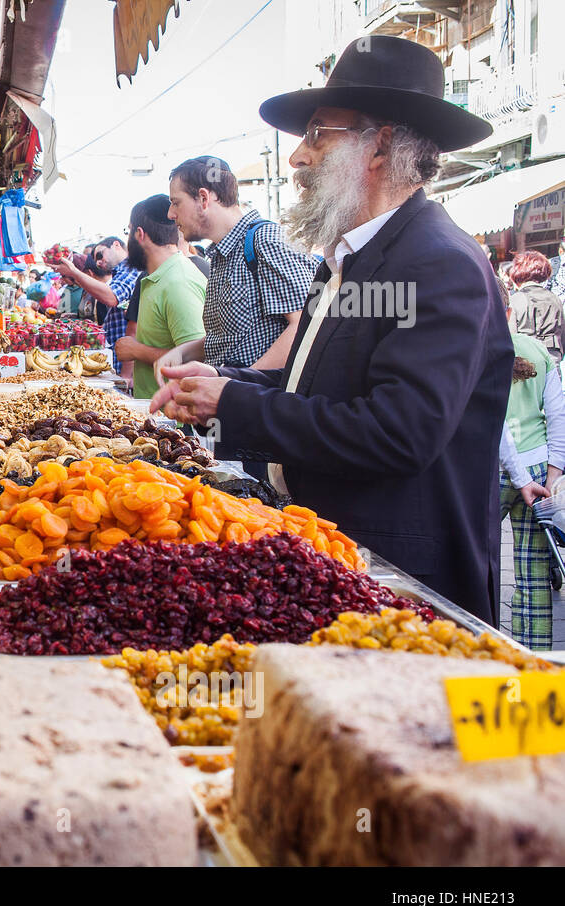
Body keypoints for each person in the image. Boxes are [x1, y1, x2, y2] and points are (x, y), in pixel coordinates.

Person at [150, 36, 509, 624]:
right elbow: (315, 388)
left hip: (404, 588)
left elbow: (397, 433)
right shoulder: (347, 259)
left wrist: (234, 402)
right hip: (340, 567)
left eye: (318, 133)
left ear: (380, 146)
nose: (297, 157)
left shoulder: (440, 262)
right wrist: (222, 379)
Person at [162, 157, 314, 374]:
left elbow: (304, 326)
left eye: (176, 202)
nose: (170, 213)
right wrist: (180, 354)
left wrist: (234, 385)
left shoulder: (267, 239)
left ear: (203, 198)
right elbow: (230, 340)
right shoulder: (221, 254)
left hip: (259, 402)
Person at [497, 280, 564, 651]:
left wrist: (520, 476)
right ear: (511, 312)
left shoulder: (475, 351)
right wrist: (553, 474)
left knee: (481, 564)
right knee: (535, 575)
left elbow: (499, 427)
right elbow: (558, 417)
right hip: (538, 473)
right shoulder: (538, 349)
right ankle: (534, 659)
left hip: (494, 474)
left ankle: (485, 646)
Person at [114, 196, 206, 399]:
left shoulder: (178, 282)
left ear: (139, 234)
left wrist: (137, 351)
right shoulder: (156, 277)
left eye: (129, 231)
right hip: (156, 415)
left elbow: (198, 362)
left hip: (176, 422)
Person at [55, 237, 140, 374]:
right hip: (118, 356)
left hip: (127, 364)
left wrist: (73, 272)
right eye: (96, 260)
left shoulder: (130, 268)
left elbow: (112, 297)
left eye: (100, 255)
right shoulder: (119, 273)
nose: (99, 262)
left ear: (116, 245)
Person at [507, 250, 562, 357]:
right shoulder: (554, 298)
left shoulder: (516, 300)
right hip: (553, 356)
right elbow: (562, 333)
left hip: (526, 360)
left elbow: (511, 337)